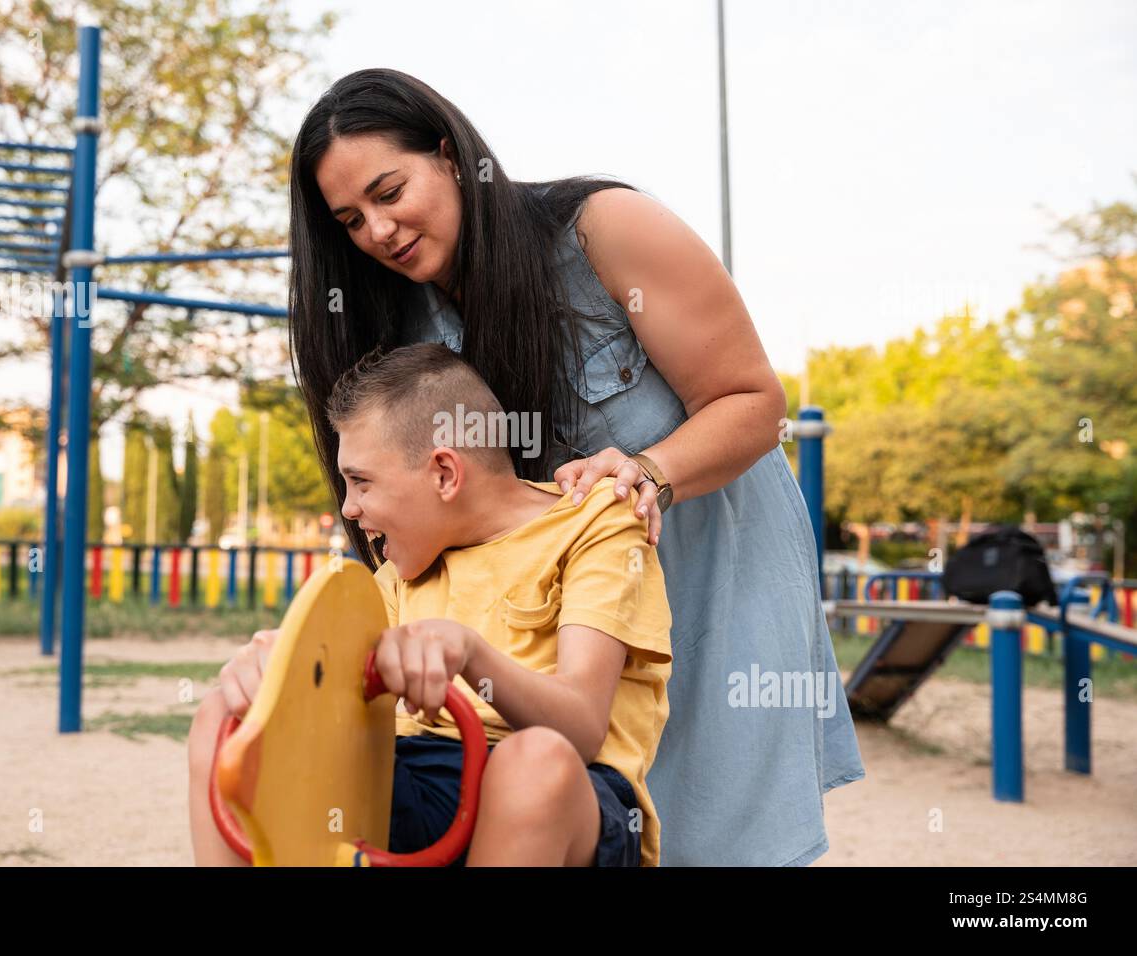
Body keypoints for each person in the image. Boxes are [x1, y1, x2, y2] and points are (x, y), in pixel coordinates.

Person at [286, 68, 864, 865]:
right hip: (565, 606)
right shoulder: (402, 322)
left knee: (719, 831)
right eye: (351, 219)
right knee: (577, 804)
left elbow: (755, 404)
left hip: (709, 568)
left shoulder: (603, 229)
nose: (379, 230)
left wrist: (648, 473)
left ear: (450, 156)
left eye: (391, 191)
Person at [188, 343, 672, 866]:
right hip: (418, 778)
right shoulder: (402, 571)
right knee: (224, 715)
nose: (349, 508)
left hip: (565, 794)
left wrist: (470, 652)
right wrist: (281, 672)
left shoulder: (594, 523)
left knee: (534, 762)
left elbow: (580, 727)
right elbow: (337, 695)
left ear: (444, 474)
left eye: (362, 482)